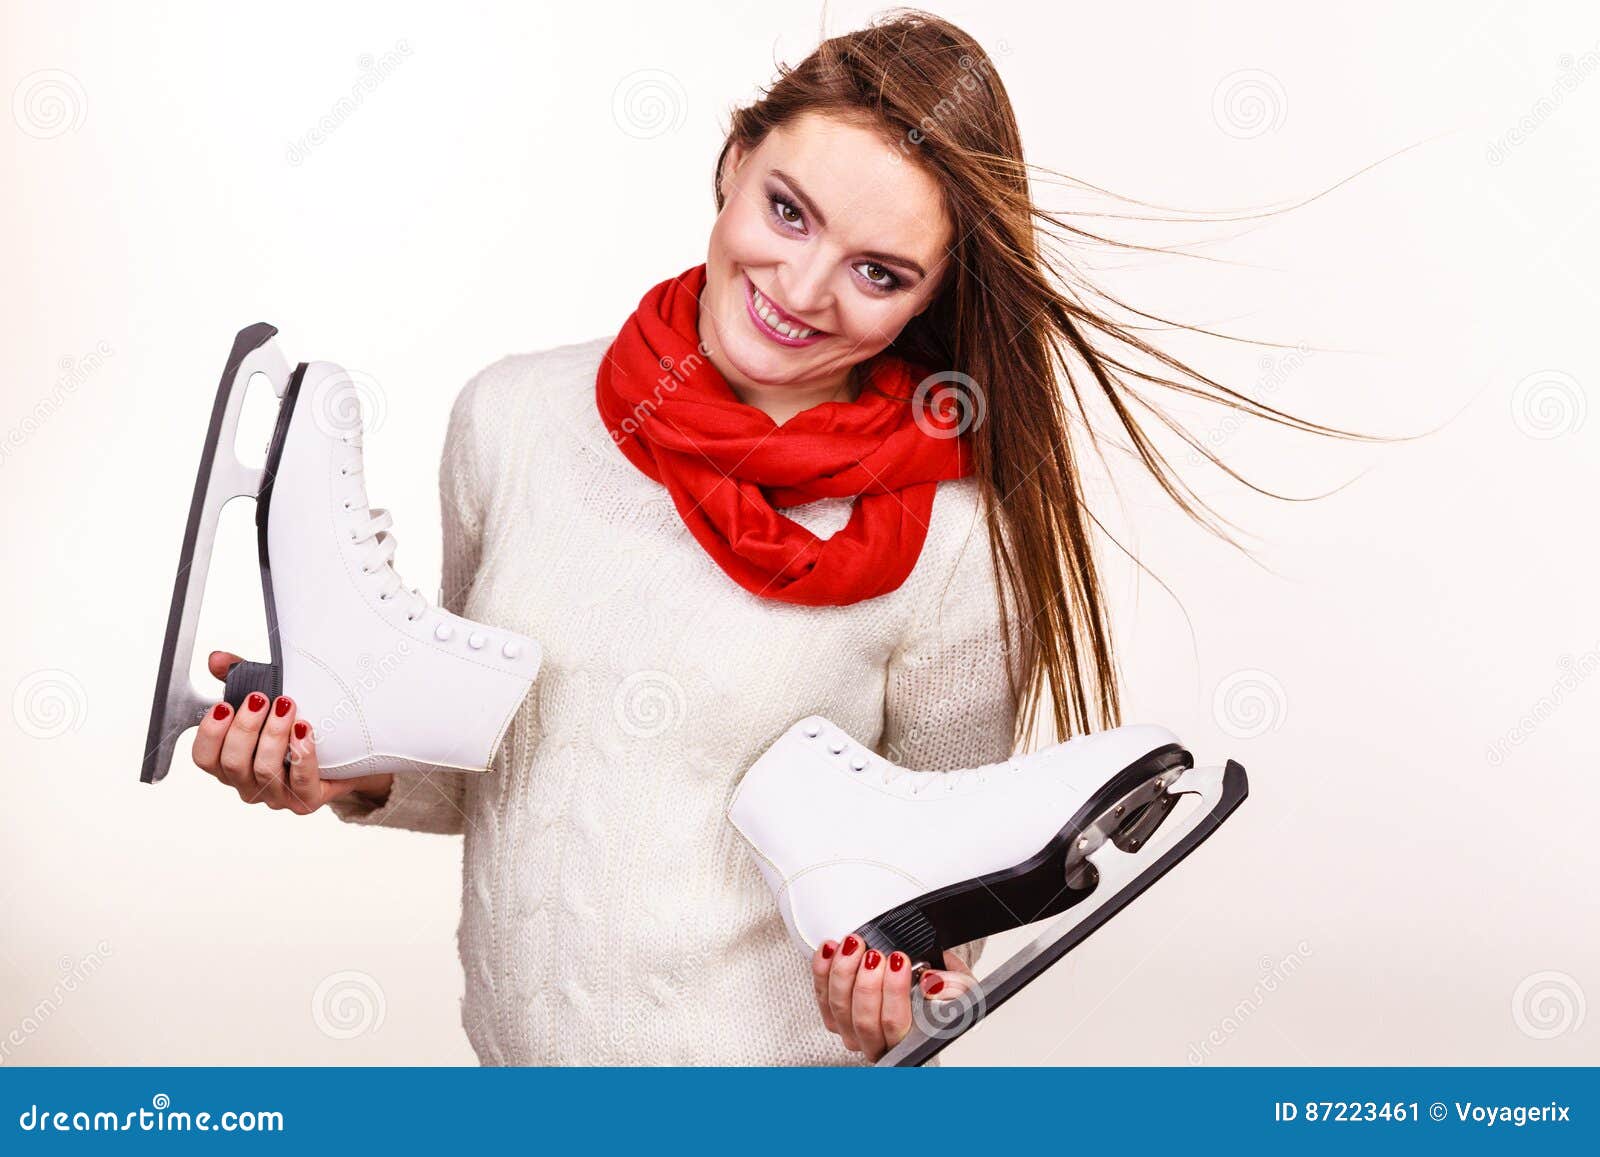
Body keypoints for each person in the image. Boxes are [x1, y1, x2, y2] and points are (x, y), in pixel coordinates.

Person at [190, 9, 1375, 1064]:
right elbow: (478, 769)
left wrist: (902, 999)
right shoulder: (512, 420)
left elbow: (932, 909)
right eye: (786, 209)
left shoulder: (953, 546)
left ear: (931, 297)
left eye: (876, 270)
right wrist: (342, 763)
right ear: (733, 161)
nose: (802, 288)